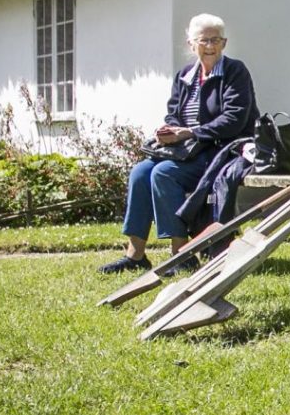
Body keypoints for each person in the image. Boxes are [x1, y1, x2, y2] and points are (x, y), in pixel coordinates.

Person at [99, 14, 257, 274]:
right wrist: (170, 130)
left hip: (221, 150)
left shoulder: (234, 71)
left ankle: (181, 255)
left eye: (216, 40)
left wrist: (190, 132)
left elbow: (234, 120)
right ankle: (135, 254)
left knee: (164, 174)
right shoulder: (185, 75)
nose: (210, 46)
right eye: (204, 40)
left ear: (224, 43)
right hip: (188, 151)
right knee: (140, 172)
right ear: (191, 43)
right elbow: (174, 112)